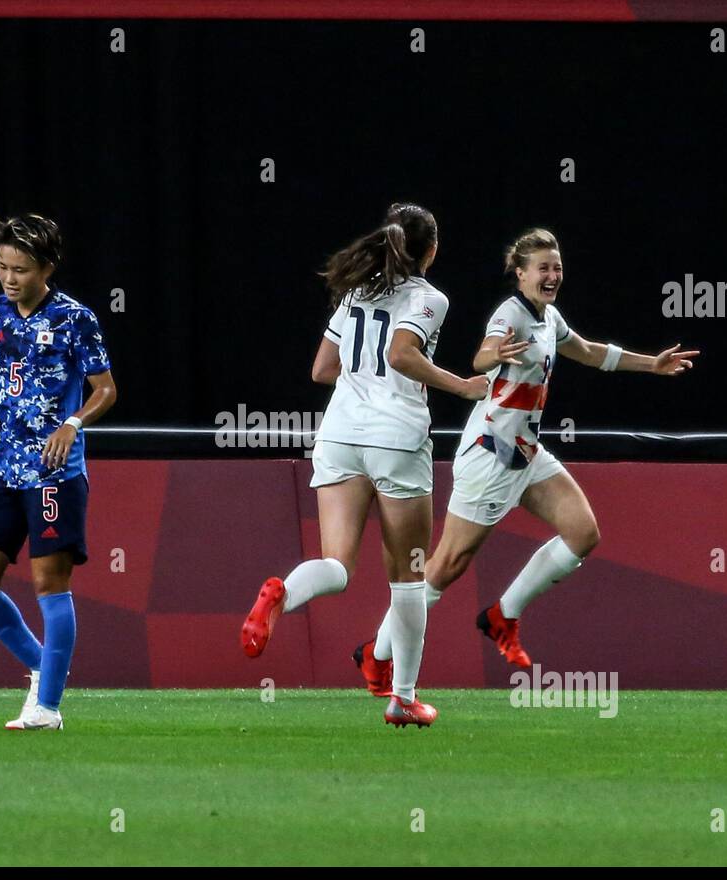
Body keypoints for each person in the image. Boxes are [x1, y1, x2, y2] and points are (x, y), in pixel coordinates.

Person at [356, 228, 699, 695]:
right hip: (490, 455)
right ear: (520, 274)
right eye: (543, 268)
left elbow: (591, 352)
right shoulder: (510, 314)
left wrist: (651, 364)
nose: (552, 275)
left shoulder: (549, 317)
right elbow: (481, 356)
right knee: (443, 568)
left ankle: (503, 615)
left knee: (583, 533)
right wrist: (491, 354)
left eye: (557, 267)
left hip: (525, 451)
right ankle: (376, 656)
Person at [240, 203, 489, 728]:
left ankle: (284, 591)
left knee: (336, 565)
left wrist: (362, 384)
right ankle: (402, 698)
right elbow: (401, 355)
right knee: (408, 578)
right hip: (395, 440)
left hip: (338, 434)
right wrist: (462, 386)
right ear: (432, 250)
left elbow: (322, 369)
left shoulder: (357, 291)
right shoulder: (429, 297)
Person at [0, 214, 117, 731]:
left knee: (49, 583)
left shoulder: (75, 318)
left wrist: (73, 422)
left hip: (54, 470)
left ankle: (48, 706)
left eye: (21, 269)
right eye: (3, 266)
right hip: (2, 468)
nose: (9, 278)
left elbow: (106, 390)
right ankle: (39, 665)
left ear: (46, 268)